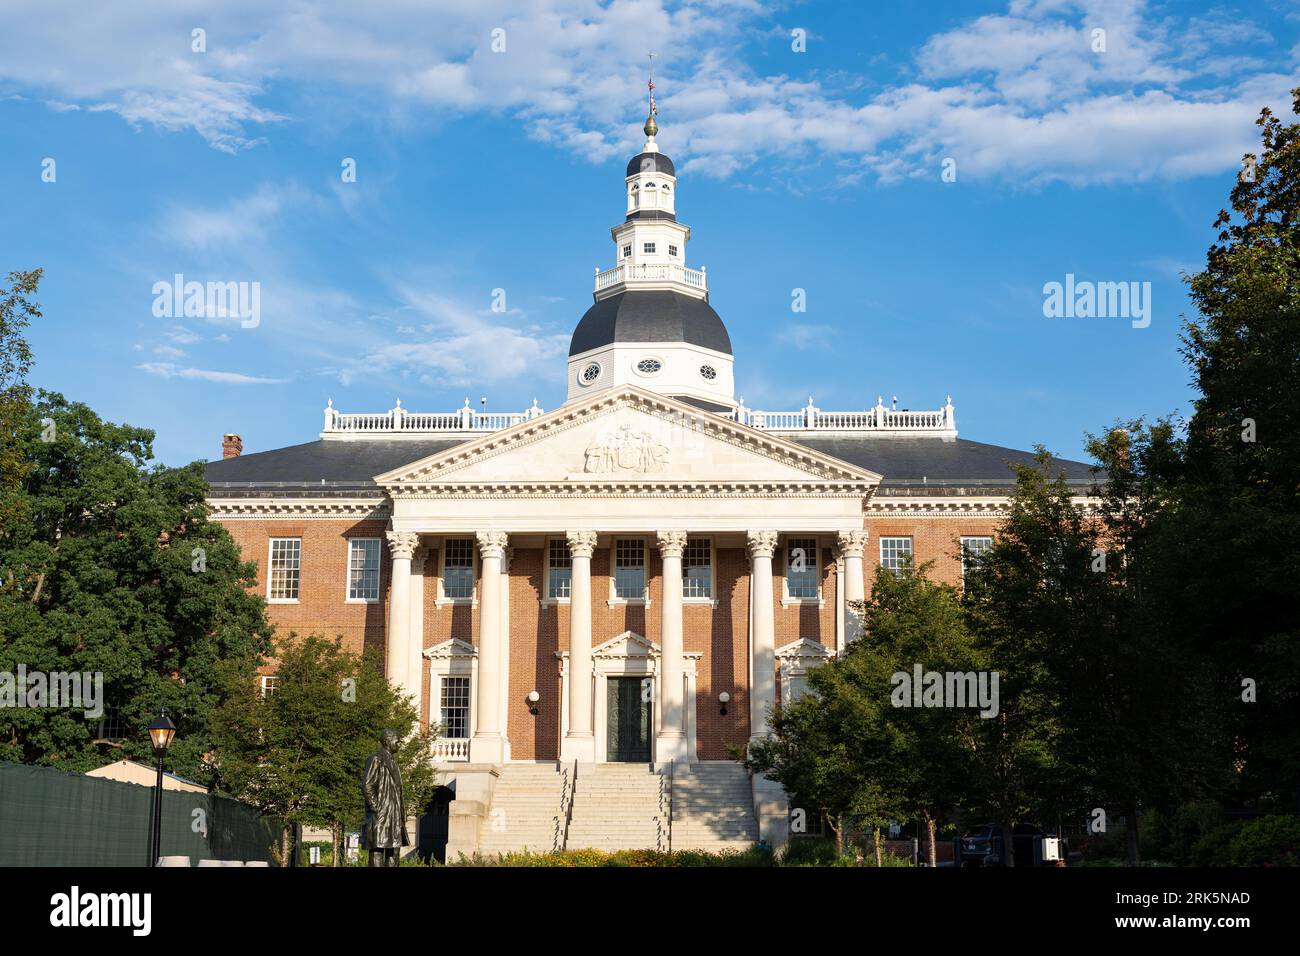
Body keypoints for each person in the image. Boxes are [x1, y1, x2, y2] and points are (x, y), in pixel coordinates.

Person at [362, 729, 409, 867]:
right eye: (397, 740)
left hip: (394, 815)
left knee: (394, 850)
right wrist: (375, 807)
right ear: (387, 741)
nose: (399, 743)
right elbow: (367, 785)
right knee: (377, 850)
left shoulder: (393, 762)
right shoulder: (376, 759)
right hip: (381, 814)